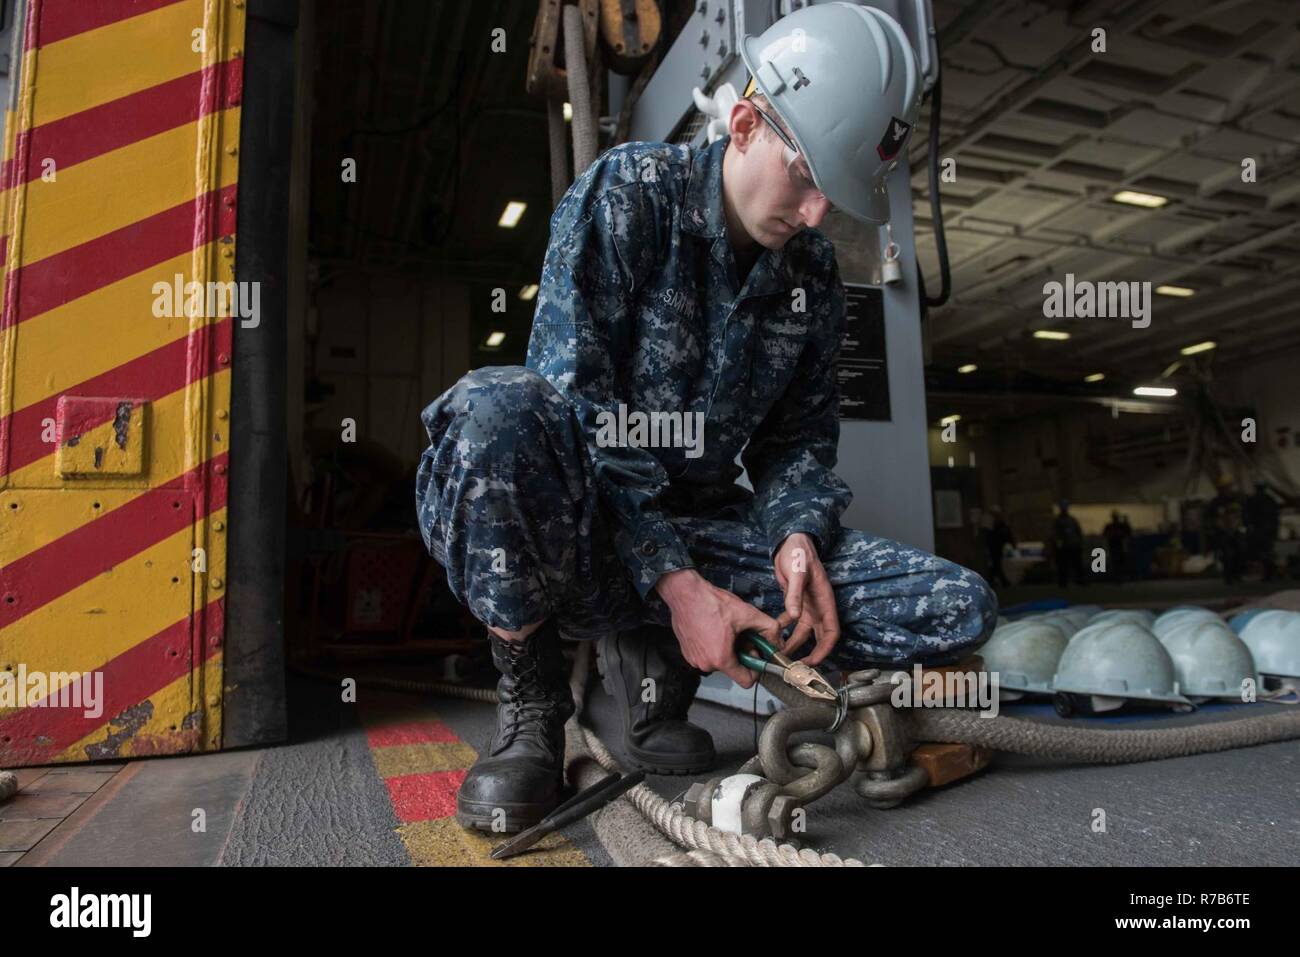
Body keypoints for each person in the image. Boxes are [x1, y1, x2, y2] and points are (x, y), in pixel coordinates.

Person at [415, 3, 995, 833]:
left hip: (704, 535)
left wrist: (797, 536)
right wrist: (677, 584)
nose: (817, 214)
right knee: (494, 415)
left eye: (835, 192)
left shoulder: (813, 277)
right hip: (586, 536)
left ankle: (654, 670)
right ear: (749, 123)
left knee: (954, 603)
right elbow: (578, 409)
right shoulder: (628, 197)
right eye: (807, 177)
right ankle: (532, 706)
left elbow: (798, 442)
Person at [1243, 482, 1280, 581]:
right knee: (1266, 552)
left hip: (1259, 530)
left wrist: (1249, 526)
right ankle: (1269, 573)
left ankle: (1268, 574)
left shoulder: (1253, 499)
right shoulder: (1270, 500)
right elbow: (1276, 517)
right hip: (1267, 531)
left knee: (1262, 553)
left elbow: (1247, 515)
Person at [1053, 500, 1085, 588]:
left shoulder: (1072, 520)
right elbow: (1056, 534)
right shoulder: (1058, 521)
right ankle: (1063, 582)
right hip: (1065, 547)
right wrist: (1059, 544)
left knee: (1077, 564)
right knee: (1063, 566)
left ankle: (1080, 580)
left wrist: (1079, 542)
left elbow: (1078, 531)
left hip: (1074, 545)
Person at [983, 507, 1015, 589]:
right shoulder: (992, 526)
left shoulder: (1000, 526)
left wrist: (1012, 544)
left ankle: (994, 582)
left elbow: (1007, 535)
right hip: (993, 548)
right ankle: (1002, 582)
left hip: (998, 548)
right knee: (996, 565)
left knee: (995, 565)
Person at [1103, 509, 1130, 583]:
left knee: (1119, 562)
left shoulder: (1119, 526)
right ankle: (1118, 577)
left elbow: (1128, 532)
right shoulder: (1113, 526)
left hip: (1118, 546)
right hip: (1115, 546)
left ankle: (1119, 577)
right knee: (1117, 562)